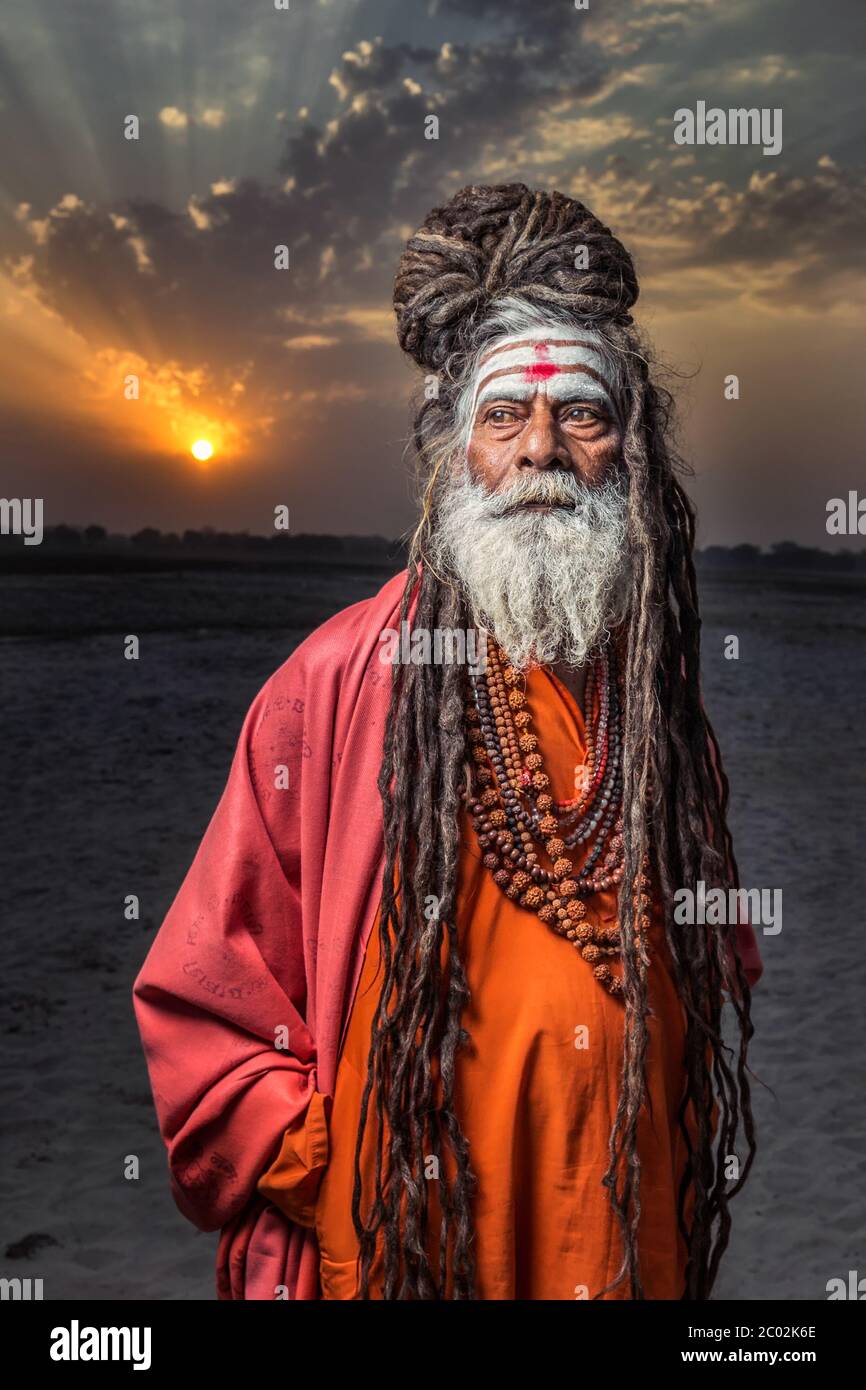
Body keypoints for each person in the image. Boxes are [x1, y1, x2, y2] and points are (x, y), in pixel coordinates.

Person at [133, 182, 762, 1302]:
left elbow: (714, 955)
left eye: (579, 413)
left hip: (617, 1227)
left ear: (630, 447)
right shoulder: (332, 682)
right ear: (453, 451)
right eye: (502, 418)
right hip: (410, 1232)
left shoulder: (659, 712)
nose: (541, 453)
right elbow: (204, 987)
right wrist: (311, 1156)